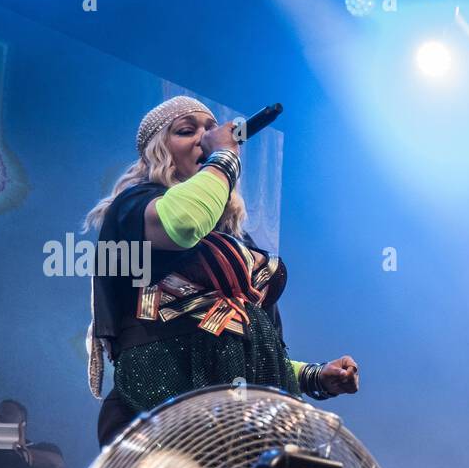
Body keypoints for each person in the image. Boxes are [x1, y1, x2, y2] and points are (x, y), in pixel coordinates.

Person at [82, 96, 359, 446]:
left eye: (210, 132)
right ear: (158, 151)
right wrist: (224, 155)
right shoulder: (134, 209)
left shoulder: (239, 248)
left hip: (239, 430)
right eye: (187, 131)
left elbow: (252, 355)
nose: (204, 138)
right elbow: (184, 223)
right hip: (159, 418)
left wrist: (315, 376)